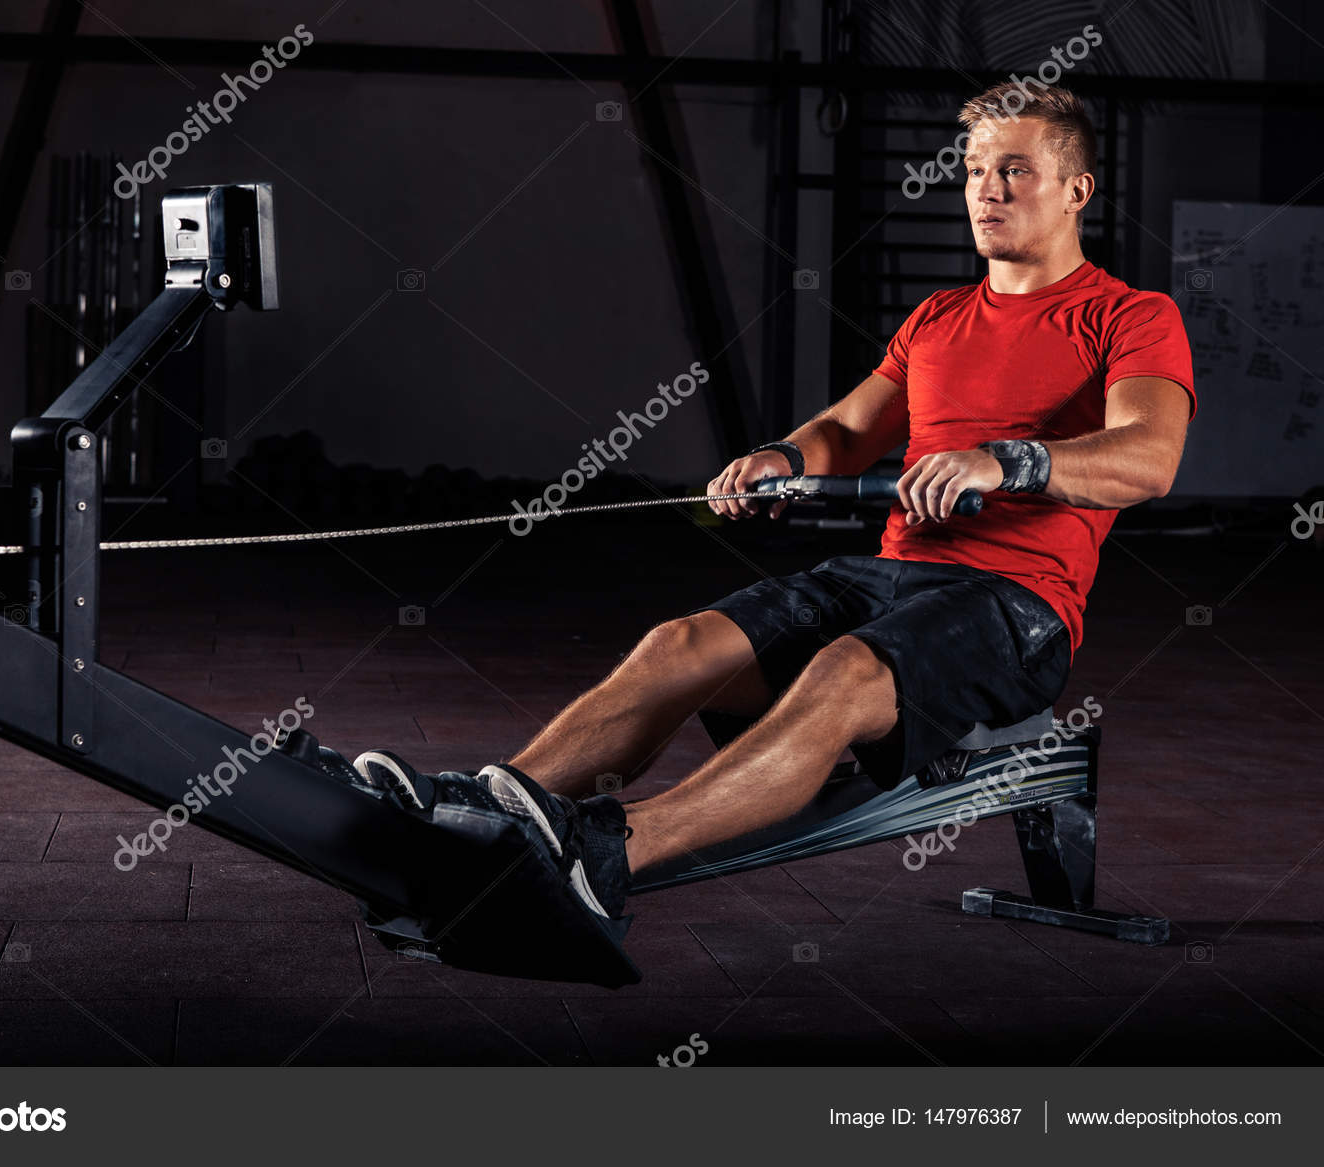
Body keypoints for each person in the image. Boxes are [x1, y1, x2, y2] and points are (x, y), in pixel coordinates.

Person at [352, 82, 1196, 927]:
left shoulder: (1130, 316)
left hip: (1018, 606)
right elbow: (845, 430)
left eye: (1013, 170)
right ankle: (478, 813)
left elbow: (1150, 458)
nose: (986, 189)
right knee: (680, 646)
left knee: (844, 670)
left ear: (1076, 189)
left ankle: (607, 853)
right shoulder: (939, 318)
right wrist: (783, 458)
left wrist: (1006, 460)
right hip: (893, 579)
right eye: (975, 170)